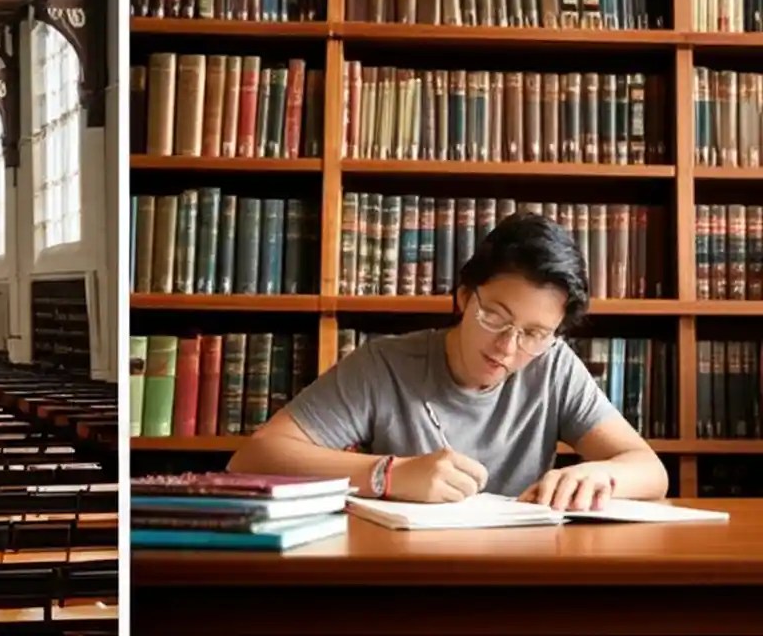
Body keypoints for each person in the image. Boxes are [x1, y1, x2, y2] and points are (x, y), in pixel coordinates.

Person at [227, 212, 669, 511]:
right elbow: (254, 457)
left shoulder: (553, 365)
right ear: (462, 297)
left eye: (534, 334)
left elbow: (650, 471)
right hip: (406, 576)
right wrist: (388, 475)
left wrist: (599, 476)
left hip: (521, 574)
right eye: (494, 316)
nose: (508, 347)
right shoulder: (385, 365)